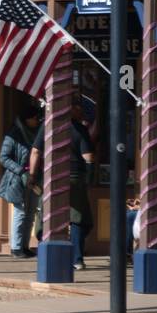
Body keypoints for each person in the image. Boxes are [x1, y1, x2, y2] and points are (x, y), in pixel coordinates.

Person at [0, 103, 43, 258]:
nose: (37, 120)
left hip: (35, 178)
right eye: (34, 118)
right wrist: (20, 170)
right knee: (20, 212)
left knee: (30, 213)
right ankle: (16, 248)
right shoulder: (14, 134)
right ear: (26, 119)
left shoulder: (38, 133)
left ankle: (25, 246)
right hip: (17, 180)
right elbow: (3, 157)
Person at [68, 98, 96, 271]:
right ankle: (76, 258)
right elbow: (89, 157)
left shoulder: (48, 127)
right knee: (79, 219)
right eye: (78, 108)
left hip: (50, 178)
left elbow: (35, 152)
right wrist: (90, 178)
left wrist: (33, 176)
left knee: (46, 218)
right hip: (75, 177)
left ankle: (51, 255)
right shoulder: (79, 129)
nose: (82, 112)